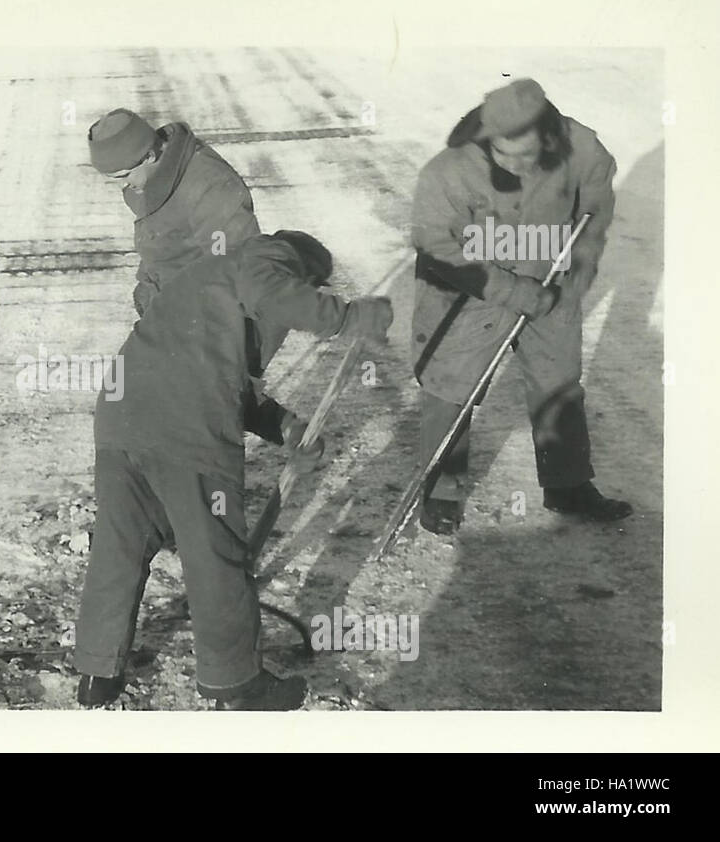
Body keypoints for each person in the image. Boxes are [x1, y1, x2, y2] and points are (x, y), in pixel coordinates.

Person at [73, 231, 393, 710]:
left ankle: (97, 673)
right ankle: (236, 687)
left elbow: (229, 383)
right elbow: (276, 292)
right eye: (313, 288)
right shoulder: (267, 256)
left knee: (120, 546)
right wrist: (347, 317)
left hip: (123, 418)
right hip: (187, 426)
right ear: (305, 271)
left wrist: (288, 430)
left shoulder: (214, 283)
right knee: (215, 559)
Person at [410, 78, 632, 535]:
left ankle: (568, 485)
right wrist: (516, 294)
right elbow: (438, 246)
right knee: (451, 384)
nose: (512, 165)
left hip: (549, 274)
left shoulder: (583, 148)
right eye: (501, 153)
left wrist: (577, 280)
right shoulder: (446, 171)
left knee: (558, 381)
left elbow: (594, 219)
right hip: (470, 286)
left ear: (548, 136)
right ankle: (440, 489)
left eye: (524, 155)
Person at [88, 108, 260, 317]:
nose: (124, 185)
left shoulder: (211, 188)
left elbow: (231, 266)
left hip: (205, 322)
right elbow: (166, 240)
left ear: (149, 156)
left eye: (125, 175)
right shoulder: (150, 181)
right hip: (167, 308)